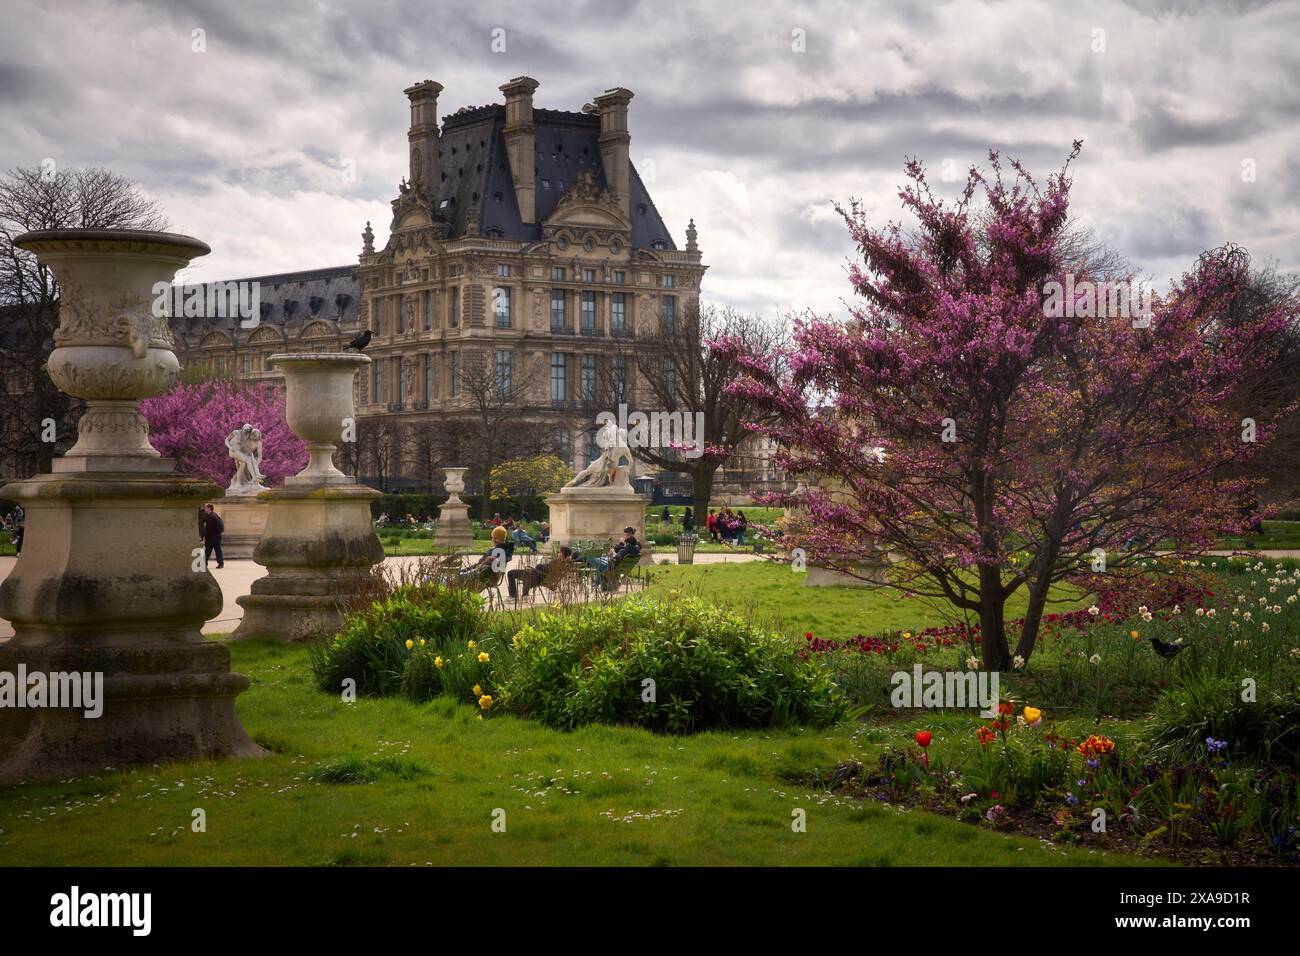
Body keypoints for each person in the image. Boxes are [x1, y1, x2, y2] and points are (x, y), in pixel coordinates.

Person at [508, 545, 573, 599]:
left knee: (510, 573)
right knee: (534, 569)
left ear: (562, 554)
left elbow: (546, 572)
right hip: (537, 576)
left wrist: (535, 569)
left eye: (560, 552)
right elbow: (548, 571)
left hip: (535, 576)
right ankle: (525, 595)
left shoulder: (559, 563)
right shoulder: (563, 564)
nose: (558, 553)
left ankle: (513, 596)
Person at [201, 503, 225, 569]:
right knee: (217, 550)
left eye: (205, 507)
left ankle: (204, 564)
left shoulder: (211, 517)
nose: (204, 509)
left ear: (209, 508)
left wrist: (204, 536)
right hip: (216, 537)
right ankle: (220, 563)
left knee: (208, 551)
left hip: (212, 537)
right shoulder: (214, 515)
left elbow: (209, 529)